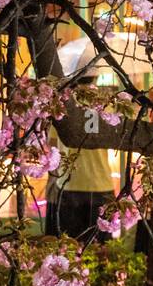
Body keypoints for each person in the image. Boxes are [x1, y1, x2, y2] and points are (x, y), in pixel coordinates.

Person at [48, 79, 117, 241]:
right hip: (101, 182)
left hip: (69, 182)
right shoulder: (106, 104)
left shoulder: (62, 104)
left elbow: (52, 145)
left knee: (68, 246)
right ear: (95, 77)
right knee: (100, 250)